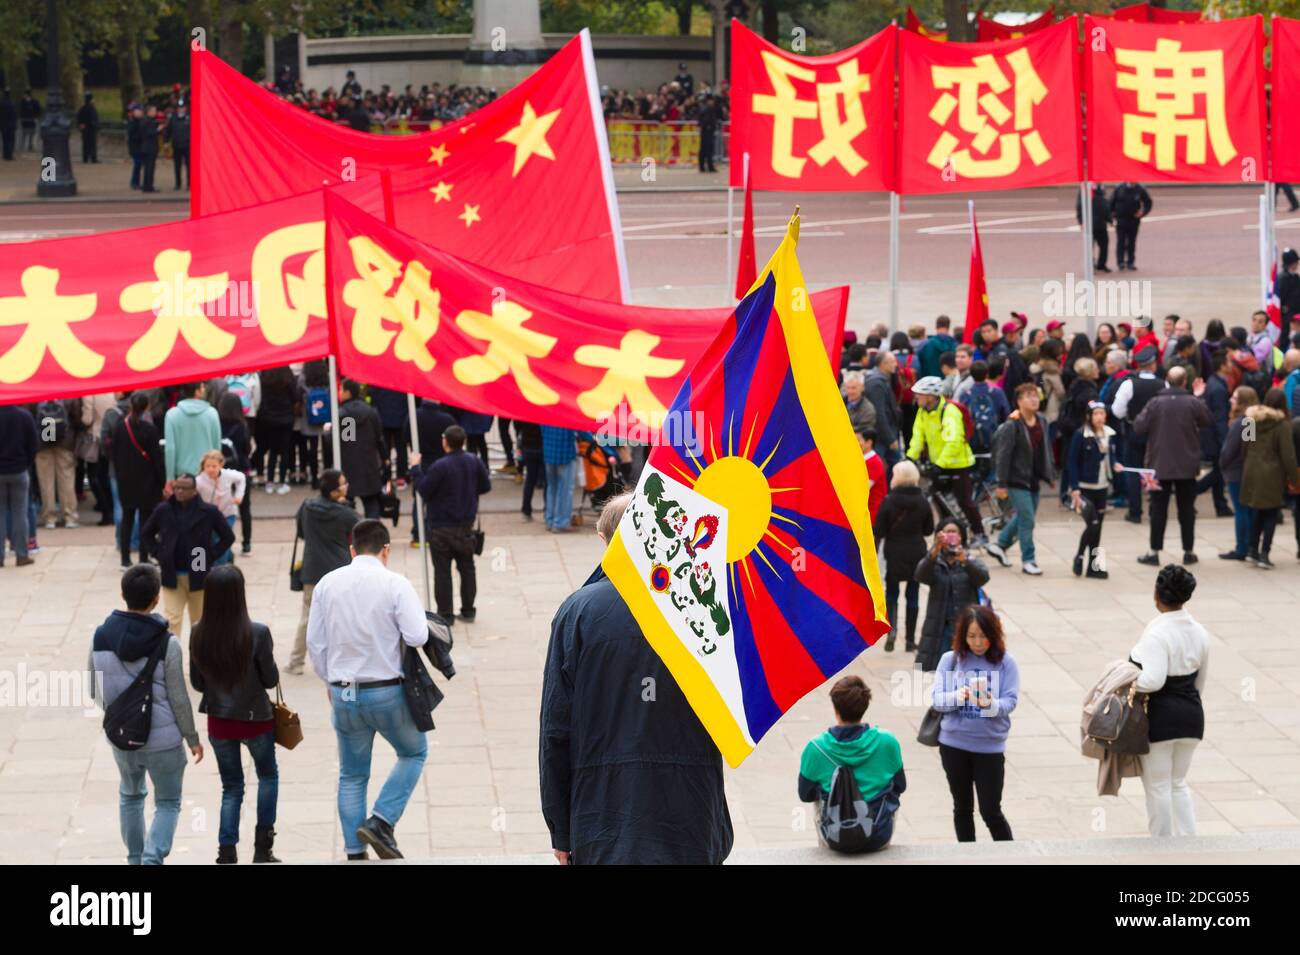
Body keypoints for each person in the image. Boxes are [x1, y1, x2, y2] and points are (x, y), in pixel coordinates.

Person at [540, 492, 733, 864]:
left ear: (604, 540)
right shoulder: (701, 609)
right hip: (691, 808)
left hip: (603, 811)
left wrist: (561, 828)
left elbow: (555, 730)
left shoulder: (578, 613)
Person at [307, 519, 430, 860]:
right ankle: (381, 820)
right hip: (385, 690)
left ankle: (354, 851)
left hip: (344, 690)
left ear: (351, 549)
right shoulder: (394, 583)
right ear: (386, 550)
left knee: (351, 774)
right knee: (414, 752)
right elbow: (417, 636)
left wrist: (330, 680)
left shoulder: (327, 584)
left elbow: (315, 644)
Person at [89, 564, 203, 865]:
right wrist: (192, 738)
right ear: (155, 599)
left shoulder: (100, 637)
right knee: (167, 802)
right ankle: (153, 858)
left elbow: (93, 688)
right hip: (164, 742)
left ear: (123, 595)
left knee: (130, 795)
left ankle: (136, 859)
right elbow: (179, 698)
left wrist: (119, 714)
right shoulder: (168, 642)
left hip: (122, 738)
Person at [188, 564, 280, 864]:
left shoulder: (198, 633)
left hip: (220, 720)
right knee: (267, 776)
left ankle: (226, 850)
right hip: (256, 719)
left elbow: (198, 683)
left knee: (232, 786)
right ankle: (262, 848)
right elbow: (270, 679)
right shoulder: (257, 633)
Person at [1130, 565, 1209, 838]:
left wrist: (1128, 682)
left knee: (1159, 786)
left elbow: (1153, 680)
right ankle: (1189, 840)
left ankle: (1161, 845)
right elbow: (1201, 681)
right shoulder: (1199, 631)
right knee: (1178, 783)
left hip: (1162, 718)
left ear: (1157, 595)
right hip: (1192, 716)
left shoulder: (1156, 634)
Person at [931, 605, 1019, 843]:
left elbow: (1011, 701)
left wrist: (990, 704)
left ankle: (1010, 856)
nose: (978, 642)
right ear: (963, 636)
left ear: (994, 635)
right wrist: (960, 696)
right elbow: (938, 700)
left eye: (983, 636)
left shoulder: (1006, 663)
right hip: (954, 744)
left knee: (991, 811)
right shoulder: (950, 660)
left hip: (989, 747)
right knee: (962, 808)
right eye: (971, 636)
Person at [797, 675, 905, 853]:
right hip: (878, 834)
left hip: (835, 835)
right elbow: (900, 786)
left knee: (819, 799)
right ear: (865, 705)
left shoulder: (816, 747)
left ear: (835, 708)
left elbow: (805, 794)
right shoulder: (887, 741)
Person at [409, 425, 491, 623]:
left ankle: (446, 613)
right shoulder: (474, 461)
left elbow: (424, 490)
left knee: (443, 572)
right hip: (465, 526)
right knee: (467, 569)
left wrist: (415, 468)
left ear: (445, 441)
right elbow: (486, 485)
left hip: (441, 527)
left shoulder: (441, 466)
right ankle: (468, 609)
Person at [1134, 366, 1211, 566]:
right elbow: (1206, 420)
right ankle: (1188, 551)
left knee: (1157, 509)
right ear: (1185, 382)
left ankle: (1154, 551)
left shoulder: (1155, 402)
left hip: (1159, 465)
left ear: (1167, 380)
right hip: (1187, 465)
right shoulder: (1193, 402)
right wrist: (1199, 397)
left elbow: (1139, 426)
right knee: (1186, 509)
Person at [140, 473, 235, 635]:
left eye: (184, 488)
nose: (179, 491)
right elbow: (146, 533)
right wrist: (160, 553)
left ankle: (197, 659)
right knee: (172, 620)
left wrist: (210, 555)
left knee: (199, 622)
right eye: (176, 487)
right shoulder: (164, 510)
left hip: (199, 572)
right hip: (172, 573)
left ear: (194, 491)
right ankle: (172, 656)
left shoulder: (209, 512)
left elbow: (228, 536)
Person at [289, 469, 359, 674]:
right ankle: (344, 660)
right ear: (334, 492)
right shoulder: (346, 514)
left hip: (312, 569)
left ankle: (296, 662)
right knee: (343, 618)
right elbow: (359, 533)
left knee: (307, 618)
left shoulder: (307, 506)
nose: (347, 486)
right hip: (339, 571)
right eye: (343, 484)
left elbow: (301, 531)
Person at [987, 383, 1055, 576]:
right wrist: (1001, 483)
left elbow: (1046, 449)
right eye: (1028, 396)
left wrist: (1049, 473)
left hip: (1034, 478)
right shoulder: (1012, 425)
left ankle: (1000, 545)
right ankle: (1029, 560)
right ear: (1019, 401)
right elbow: (1003, 455)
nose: (1033, 399)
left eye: (1035, 395)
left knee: (1024, 517)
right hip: (1016, 480)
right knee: (1028, 520)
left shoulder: (1041, 420)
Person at [907, 376, 985, 544]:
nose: (916, 398)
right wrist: (910, 457)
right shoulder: (922, 412)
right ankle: (950, 537)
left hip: (958, 464)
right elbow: (918, 437)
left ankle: (980, 533)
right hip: (939, 465)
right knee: (939, 502)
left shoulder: (949, 411)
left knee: (964, 501)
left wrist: (940, 464)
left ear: (930, 396)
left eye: (919, 394)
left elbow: (954, 441)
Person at [873, 461, 933, 653]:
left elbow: (879, 529)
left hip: (894, 552)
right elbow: (929, 529)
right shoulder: (923, 501)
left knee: (892, 594)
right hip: (916, 551)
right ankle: (910, 640)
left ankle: (892, 632)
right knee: (913, 596)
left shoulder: (889, 501)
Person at [915, 521, 989, 672]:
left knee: (967, 670)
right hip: (941, 628)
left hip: (965, 627)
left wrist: (965, 561)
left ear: (961, 537)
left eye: (955, 532)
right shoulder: (935, 561)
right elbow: (920, 575)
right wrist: (934, 551)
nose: (951, 536)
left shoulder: (969, 560)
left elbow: (982, 578)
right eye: (947, 532)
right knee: (942, 672)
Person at [1240, 388, 1300, 568]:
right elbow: (1288, 455)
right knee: (1271, 514)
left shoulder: (1249, 420)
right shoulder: (1282, 425)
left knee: (1256, 511)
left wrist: (1248, 464)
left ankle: (1252, 549)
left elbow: (1244, 445)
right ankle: (1265, 553)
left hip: (1251, 470)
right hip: (1272, 473)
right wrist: (1295, 479)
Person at [1066, 401, 1122, 579]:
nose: (1099, 417)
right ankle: (1080, 556)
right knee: (1093, 524)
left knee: (1098, 527)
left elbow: (1111, 457)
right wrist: (1074, 488)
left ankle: (1094, 566)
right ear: (1089, 416)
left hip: (1102, 486)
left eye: (1102, 414)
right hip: (1085, 487)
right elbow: (1072, 462)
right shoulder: (1081, 435)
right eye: (1096, 414)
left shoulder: (1109, 434)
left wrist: (1115, 464)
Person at [1111, 345, 1166, 522]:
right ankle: (1155, 509)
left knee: (1133, 470)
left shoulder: (1129, 384)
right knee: (1154, 470)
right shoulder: (1162, 384)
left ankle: (1135, 512)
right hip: (1156, 433)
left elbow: (1117, 411)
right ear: (1153, 365)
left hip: (1133, 430)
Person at [110, 394, 165, 568]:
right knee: (145, 520)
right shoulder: (150, 429)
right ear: (147, 407)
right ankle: (143, 557)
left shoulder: (120, 428)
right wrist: (162, 481)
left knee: (127, 518)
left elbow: (112, 454)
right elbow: (157, 458)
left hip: (125, 480)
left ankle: (125, 559)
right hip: (147, 481)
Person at [1218, 385, 1261, 562]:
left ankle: (1242, 547)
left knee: (1242, 511)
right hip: (1244, 471)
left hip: (1238, 473)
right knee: (1247, 511)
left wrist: (1223, 464)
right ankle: (1249, 546)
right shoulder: (1250, 420)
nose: (1231, 400)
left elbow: (1235, 450)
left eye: (1235, 397)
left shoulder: (1244, 422)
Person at [337, 379, 387, 518]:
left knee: (347, 504)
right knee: (371, 504)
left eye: (341, 390)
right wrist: (385, 458)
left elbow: (348, 440)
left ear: (348, 392)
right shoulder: (370, 411)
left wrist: (329, 434)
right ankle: (373, 534)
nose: (339, 393)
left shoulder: (345, 413)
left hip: (349, 465)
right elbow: (379, 438)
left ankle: (351, 535)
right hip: (369, 464)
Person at [1194, 349, 1233, 518]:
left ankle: (1221, 505)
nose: (1231, 365)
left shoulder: (1215, 383)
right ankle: (1191, 492)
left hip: (1211, 436)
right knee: (1218, 471)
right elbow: (1220, 419)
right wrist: (1225, 441)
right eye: (1229, 362)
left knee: (1219, 470)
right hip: (1215, 438)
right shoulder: (1218, 388)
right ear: (1223, 366)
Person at [0, 401, 37, 567]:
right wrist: (25, 463)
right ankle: (22, 554)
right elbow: (33, 444)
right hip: (19, 470)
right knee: (20, 513)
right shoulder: (24, 416)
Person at [196, 450, 246, 565]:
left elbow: (241, 478)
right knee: (213, 540)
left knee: (223, 539)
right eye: (207, 466)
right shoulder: (199, 480)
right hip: (209, 517)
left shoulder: (228, 475)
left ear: (221, 465)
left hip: (227, 513)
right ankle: (228, 557)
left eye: (214, 466)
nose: (211, 469)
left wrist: (239, 496)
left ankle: (219, 568)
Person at [164, 382, 221, 482]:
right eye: (202, 387)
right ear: (197, 391)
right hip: (208, 471)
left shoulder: (171, 415)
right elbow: (217, 445)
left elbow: (170, 449)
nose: (204, 389)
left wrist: (170, 477)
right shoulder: (212, 413)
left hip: (182, 475)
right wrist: (218, 470)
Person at [218, 394, 254, 555]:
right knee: (245, 509)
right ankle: (246, 543)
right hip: (242, 470)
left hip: (223, 472)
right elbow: (247, 449)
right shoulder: (242, 425)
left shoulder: (217, 424)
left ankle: (225, 543)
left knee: (223, 509)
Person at [257, 366, 298, 494]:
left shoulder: (265, 373)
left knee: (272, 451)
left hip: (269, 417)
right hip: (286, 416)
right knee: (284, 450)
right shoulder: (287, 373)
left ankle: (269, 482)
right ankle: (281, 482)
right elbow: (294, 395)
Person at [541, 424, 582, 533]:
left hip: (549, 453)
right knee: (565, 490)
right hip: (566, 454)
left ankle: (550, 520)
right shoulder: (567, 412)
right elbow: (580, 429)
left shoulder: (547, 410)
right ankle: (561, 522)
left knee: (551, 488)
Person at [1111, 180, 1152, 270]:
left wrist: (1143, 212)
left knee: (1131, 242)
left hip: (1134, 220)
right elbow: (1111, 202)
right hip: (1121, 220)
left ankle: (1130, 262)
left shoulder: (1140, 188)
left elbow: (1148, 202)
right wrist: (1112, 216)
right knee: (1121, 241)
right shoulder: (1119, 188)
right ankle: (1120, 262)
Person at [1077, 181, 1112, 271]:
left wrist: (1109, 219)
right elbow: (1079, 205)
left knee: (1103, 245)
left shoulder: (1100, 186)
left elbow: (1105, 205)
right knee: (1090, 246)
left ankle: (1101, 264)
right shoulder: (1085, 187)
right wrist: (1081, 221)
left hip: (1100, 223)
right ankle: (1091, 265)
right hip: (1091, 223)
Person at [516, 419, 545, 521]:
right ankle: (548, 512)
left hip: (528, 446)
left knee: (529, 481)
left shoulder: (526, 411)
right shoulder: (546, 409)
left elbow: (518, 426)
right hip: (542, 447)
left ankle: (526, 511)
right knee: (547, 483)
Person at [165, 102, 189, 189]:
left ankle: (189, 184)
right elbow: (168, 131)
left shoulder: (190, 117)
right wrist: (166, 141)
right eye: (179, 108)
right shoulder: (173, 118)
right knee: (177, 166)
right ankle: (178, 184)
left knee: (189, 166)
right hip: (176, 145)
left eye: (183, 108)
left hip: (187, 146)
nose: (181, 109)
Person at [138, 104, 160, 192]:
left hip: (145, 147)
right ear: (149, 112)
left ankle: (146, 185)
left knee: (147, 167)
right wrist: (158, 130)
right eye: (154, 111)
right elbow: (150, 133)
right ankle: (148, 186)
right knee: (150, 168)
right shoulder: (149, 121)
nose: (155, 113)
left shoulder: (143, 121)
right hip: (150, 147)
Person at [76, 92, 99, 163]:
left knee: (86, 144)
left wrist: (81, 124)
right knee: (92, 143)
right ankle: (93, 158)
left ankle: (85, 158)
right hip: (91, 128)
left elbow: (79, 118)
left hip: (85, 128)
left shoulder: (82, 108)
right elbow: (94, 118)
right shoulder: (91, 108)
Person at [0, 88, 16, 160]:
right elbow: (14, 115)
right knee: (10, 141)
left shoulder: (1, 103)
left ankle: (5, 155)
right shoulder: (11, 103)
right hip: (10, 125)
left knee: (5, 140)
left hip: (3, 125)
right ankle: (9, 155)